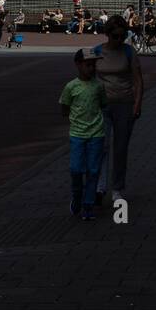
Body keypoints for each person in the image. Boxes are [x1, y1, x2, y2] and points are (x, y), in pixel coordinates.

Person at [93, 15, 143, 205]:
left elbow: (137, 79)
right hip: (102, 105)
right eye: (115, 36)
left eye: (122, 36)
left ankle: (117, 188)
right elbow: (88, 76)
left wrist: (137, 103)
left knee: (121, 148)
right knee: (101, 146)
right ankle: (99, 186)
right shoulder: (97, 51)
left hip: (124, 103)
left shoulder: (129, 52)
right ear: (108, 34)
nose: (118, 40)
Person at [60, 48, 107, 221]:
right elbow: (64, 107)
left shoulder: (99, 86)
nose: (92, 68)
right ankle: (77, 195)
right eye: (88, 65)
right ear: (78, 65)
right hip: (77, 134)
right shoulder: (71, 87)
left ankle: (88, 204)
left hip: (96, 133)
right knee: (76, 168)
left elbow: (103, 103)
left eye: (94, 64)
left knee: (93, 170)